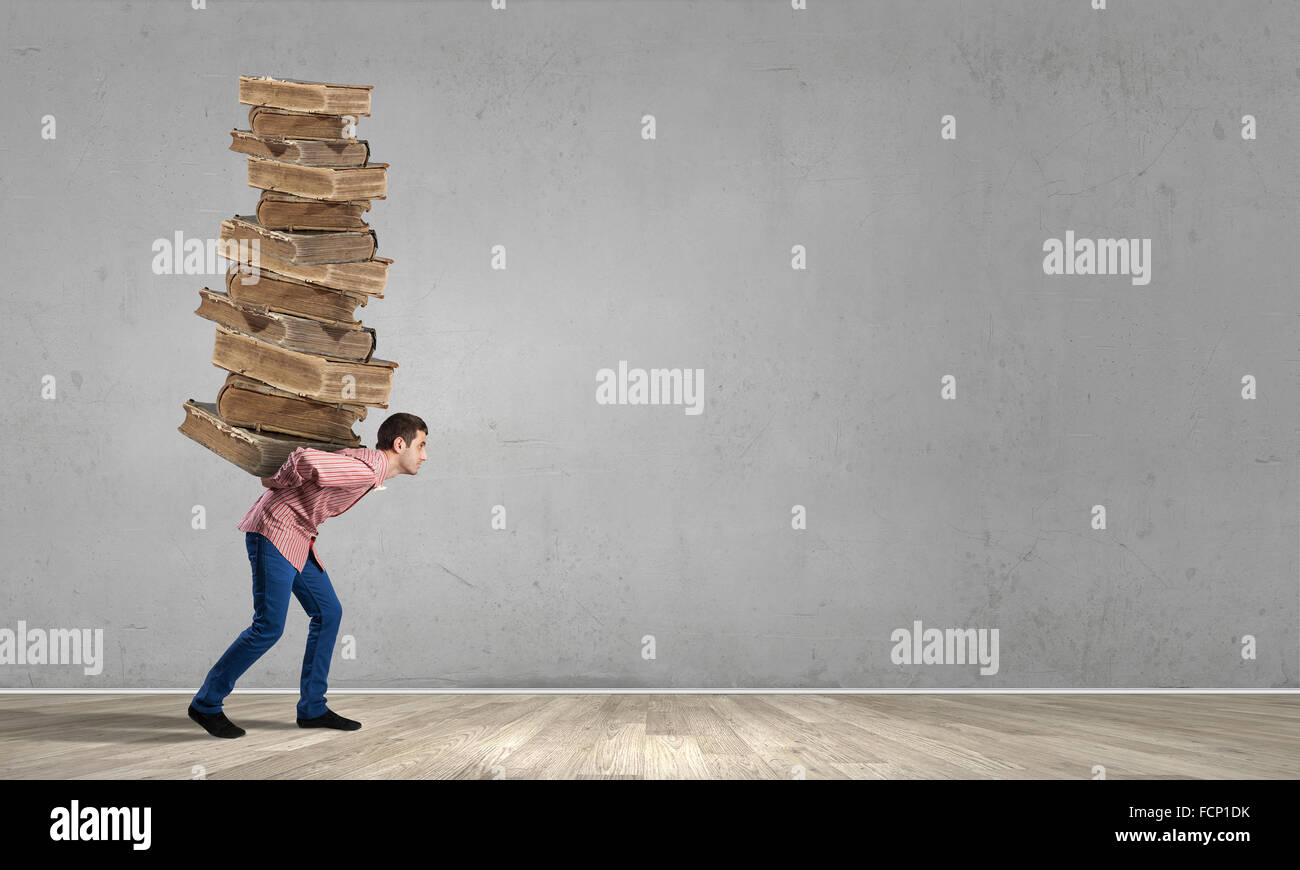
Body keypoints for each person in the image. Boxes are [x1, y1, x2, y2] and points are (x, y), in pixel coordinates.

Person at [188, 413, 428, 738]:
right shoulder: (367, 469)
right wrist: (275, 481)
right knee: (268, 627)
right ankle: (206, 703)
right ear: (400, 444)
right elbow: (304, 459)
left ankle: (313, 708)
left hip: (297, 536)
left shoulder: (371, 469)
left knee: (328, 612)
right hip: (275, 529)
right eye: (422, 445)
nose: (424, 456)